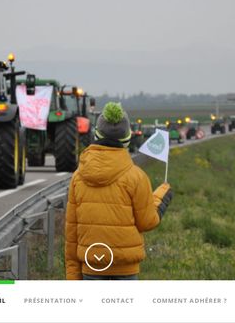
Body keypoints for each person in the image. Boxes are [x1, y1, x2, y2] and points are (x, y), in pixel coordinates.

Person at [65, 102, 173, 280]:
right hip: (125, 270)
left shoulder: (78, 178)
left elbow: (71, 234)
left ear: (96, 135)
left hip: (91, 268)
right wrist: (161, 197)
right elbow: (147, 222)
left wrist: (72, 277)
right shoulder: (136, 177)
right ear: (127, 138)